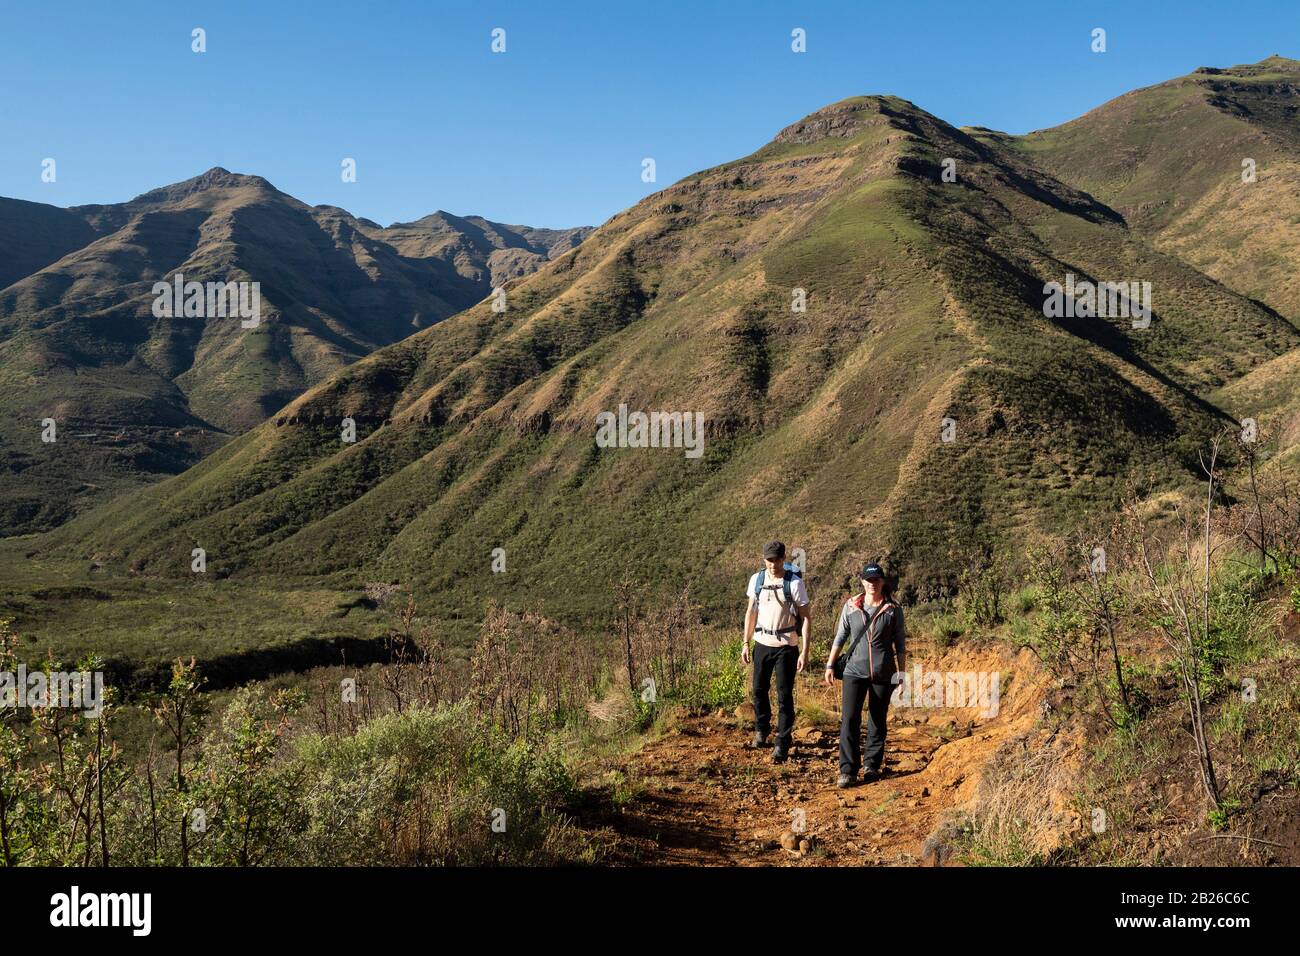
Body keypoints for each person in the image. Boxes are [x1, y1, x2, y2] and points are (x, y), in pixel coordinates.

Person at [824, 563, 906, 788]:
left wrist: (901, 673)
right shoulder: (851, 606)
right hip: (853, 671)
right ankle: (847, 770)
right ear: (862, 582)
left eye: (876, 580)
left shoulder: (892, 609)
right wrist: (830, 664)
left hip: (883, 672)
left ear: (882, 582)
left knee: (877, 719)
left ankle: (872, 765)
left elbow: (900, 644)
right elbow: (840, 637)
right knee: (849, 719)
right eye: (868, 580)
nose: (872, 584)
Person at [741, 541, 810, 762]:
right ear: (764, 559)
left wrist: (805, 651)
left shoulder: (794, 583)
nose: (773, 564)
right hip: (762, 642)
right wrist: (745, 642)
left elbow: (806, 617)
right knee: (759, 689)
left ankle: (782, 741)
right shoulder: (757, 580)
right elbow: (751, 611)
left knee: (784, 694)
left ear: (783, 558)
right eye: (769, 560)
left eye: (777, 560)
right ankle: (762, 729)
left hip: (786, 646)